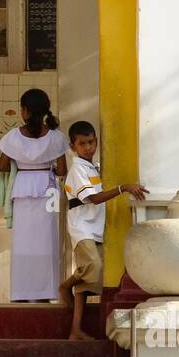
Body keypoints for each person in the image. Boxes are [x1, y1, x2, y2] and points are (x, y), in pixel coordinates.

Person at [62, 120, 148, 340]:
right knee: (93, 266)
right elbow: (91, 198)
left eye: (91, 142)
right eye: (82, 144)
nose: (88, 147)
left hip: (96, 228)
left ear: (96, 142)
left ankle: (75, 330)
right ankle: (64, 287)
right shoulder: (77, 169)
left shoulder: (96, 167)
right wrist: (122, 188)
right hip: (81, 228)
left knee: (88, 281)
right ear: (73, 146)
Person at [0, 88, 69, 302]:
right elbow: (62, 171)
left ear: (25, 111)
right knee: (48, 242)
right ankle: (46, 292)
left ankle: (22, 291)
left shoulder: (13, 137)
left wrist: (23, 165)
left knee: (23, 242)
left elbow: (2, 166)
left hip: (23, 188)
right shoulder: (56, 138)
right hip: (48, 189)